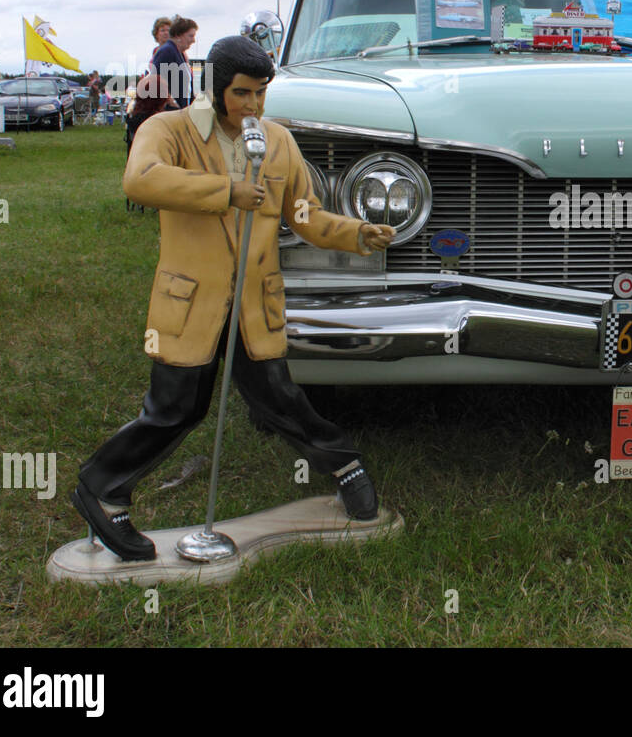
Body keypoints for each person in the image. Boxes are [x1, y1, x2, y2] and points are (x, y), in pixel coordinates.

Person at [72, 35, 395, 561]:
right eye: (242, 93)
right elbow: (141, 179)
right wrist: (225, 191)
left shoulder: (278, 141)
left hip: (254, 305)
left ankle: (345, 466)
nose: (253, 106)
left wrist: (356, 234)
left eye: (262, 93)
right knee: (174, 409)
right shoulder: (168, 130)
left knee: (279, 399)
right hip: (192, 302)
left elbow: (303, 214)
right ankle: (102, 490)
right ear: (214, 86)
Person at [150, 16, 197, 109]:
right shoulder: (167, 51)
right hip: (169, 113)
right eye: (190, 36)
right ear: (179, 35)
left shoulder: (180, 54)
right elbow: (155, 81)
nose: (193, 40)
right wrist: (172, 103)